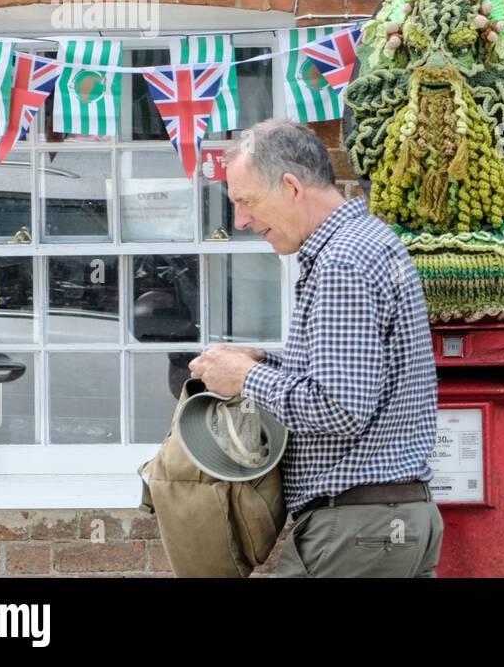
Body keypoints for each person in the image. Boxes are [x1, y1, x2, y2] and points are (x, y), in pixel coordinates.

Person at [188, 119, 442, 577]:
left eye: (246, 202)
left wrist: (246, 378)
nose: (241, 221)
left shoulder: (342, 261)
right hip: (392, 524)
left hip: (356, 530)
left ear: (290, 186)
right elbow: (354, 375)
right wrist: (265, 361)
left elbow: (339, 407)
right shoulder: (368, 243)